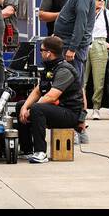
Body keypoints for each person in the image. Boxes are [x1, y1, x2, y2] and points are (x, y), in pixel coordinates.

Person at [21, 36, 85, 164]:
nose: (40, 52)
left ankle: (41, 152)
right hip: (57, 109)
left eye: (42, 50)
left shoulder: (64, 70)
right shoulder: (50, 68)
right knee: (20, 105)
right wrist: (25, 107)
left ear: (49, 53)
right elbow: (38, 90)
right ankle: (27, 150)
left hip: (70, 113)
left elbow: (51, 96)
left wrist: (31, 110)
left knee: (37, 108)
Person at [52, 0, 95, 144]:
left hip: (72, 48)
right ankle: (79, 130)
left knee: (74, 89)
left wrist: (72, 48)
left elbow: (81, 23)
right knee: (74, 87)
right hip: (69, 44)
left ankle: (78, 130)